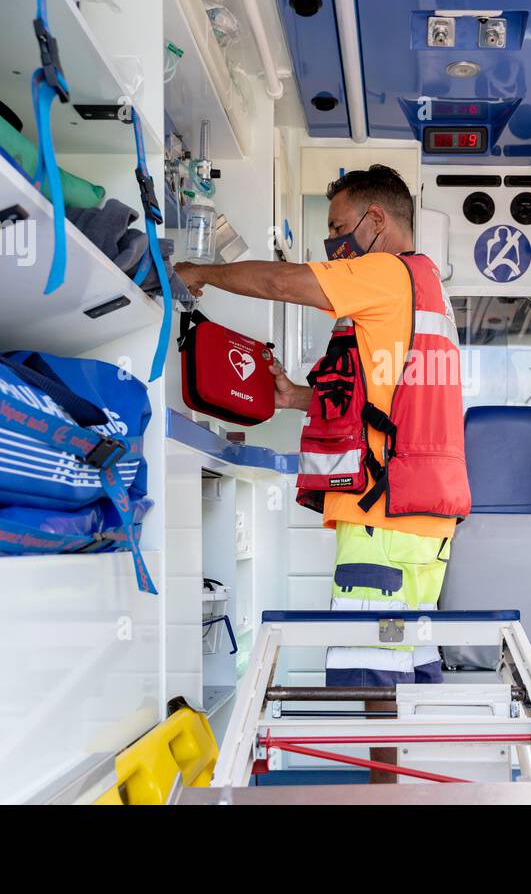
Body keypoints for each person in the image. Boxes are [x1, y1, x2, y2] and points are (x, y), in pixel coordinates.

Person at [175, 165, 470, 783]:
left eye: (338, 228)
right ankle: (404, 791)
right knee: (404, 664)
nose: (333, 244)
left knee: (372, 676)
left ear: (376, 221)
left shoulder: (386, 273)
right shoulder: (426, 290)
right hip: (423, 517)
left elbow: (284, 279)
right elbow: (387, 401)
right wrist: (296, 397)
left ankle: (384, 796)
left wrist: (197, 272)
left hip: (382, 517)